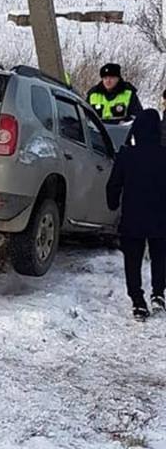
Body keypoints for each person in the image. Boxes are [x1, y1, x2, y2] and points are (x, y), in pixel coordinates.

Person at [106, 109, 166, 321]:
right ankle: (158, 292)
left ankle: (138, 301)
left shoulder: (126, 155)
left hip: (133, 218)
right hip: (161, 218)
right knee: (160, 257)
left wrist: (113, 204)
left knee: (133, 260)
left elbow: (113, 184)